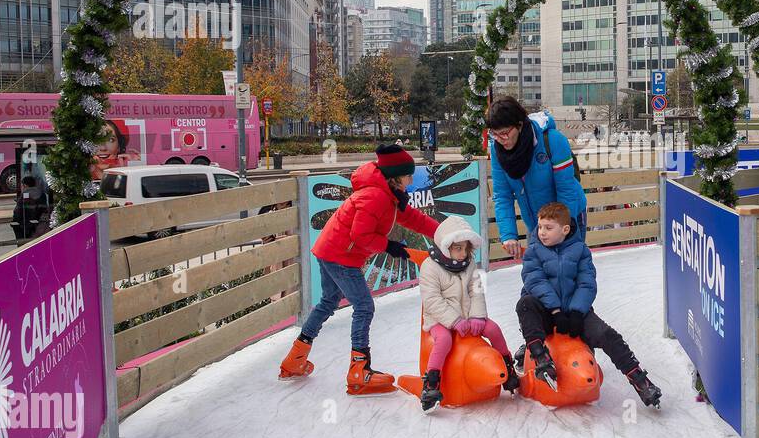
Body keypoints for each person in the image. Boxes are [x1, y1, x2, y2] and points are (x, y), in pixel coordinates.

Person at [278, 144, 439, 394]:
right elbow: (361, 235)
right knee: (364, 306)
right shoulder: (376, 196)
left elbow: (414, 219)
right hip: (341, 254)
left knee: (328, 302)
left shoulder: (388, 194)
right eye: (409, 175)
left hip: (329, 249)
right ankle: (359, 370)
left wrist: (443, 231)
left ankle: (295, 358)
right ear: (396, 176)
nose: (411, 178)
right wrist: (390, 246)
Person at [515, 202, 662, 407]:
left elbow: (587, 283)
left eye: (549, 228)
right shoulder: (533, 251)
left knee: (607, 334)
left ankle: (639, 379)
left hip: (576, 313)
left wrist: (576, 312)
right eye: (540, 227)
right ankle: (541, 359)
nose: (542, 233)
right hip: (546, 311)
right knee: (525, 304)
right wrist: (556, 311)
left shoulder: (580, 251)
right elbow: (535, 281)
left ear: (565, 229)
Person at [418, 215, 518, 412]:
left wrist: (477, 316)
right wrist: (454, 321)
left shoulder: (469, 264)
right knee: (444, 340)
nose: (463, 254)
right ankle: (431, 383)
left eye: (466, 248)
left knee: (493, 329)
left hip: (468, 316)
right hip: (439, 319)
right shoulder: (430, 267)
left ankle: (508, 367)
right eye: (458, 248)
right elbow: (432, 301)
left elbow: (476, 290)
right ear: (445, 247)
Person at [487, 96, 586, 260]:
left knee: (566, 270)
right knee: (538, 273)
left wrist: (561, 229)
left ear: (519, 125)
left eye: (504, 133)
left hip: (569, 215)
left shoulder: (553, 140)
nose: (500, 140)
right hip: (536, 223)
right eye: (494, 134)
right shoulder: (498, 152)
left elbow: (566, 189)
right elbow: (502, 196)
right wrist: (509, 235)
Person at [11, 175, 51, 241]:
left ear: (25, 185)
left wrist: (16, 223)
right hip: (39, 224)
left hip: (26, 226)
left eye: (22, 185)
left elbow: (18, 212)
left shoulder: (25, 195)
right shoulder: (42, 194)